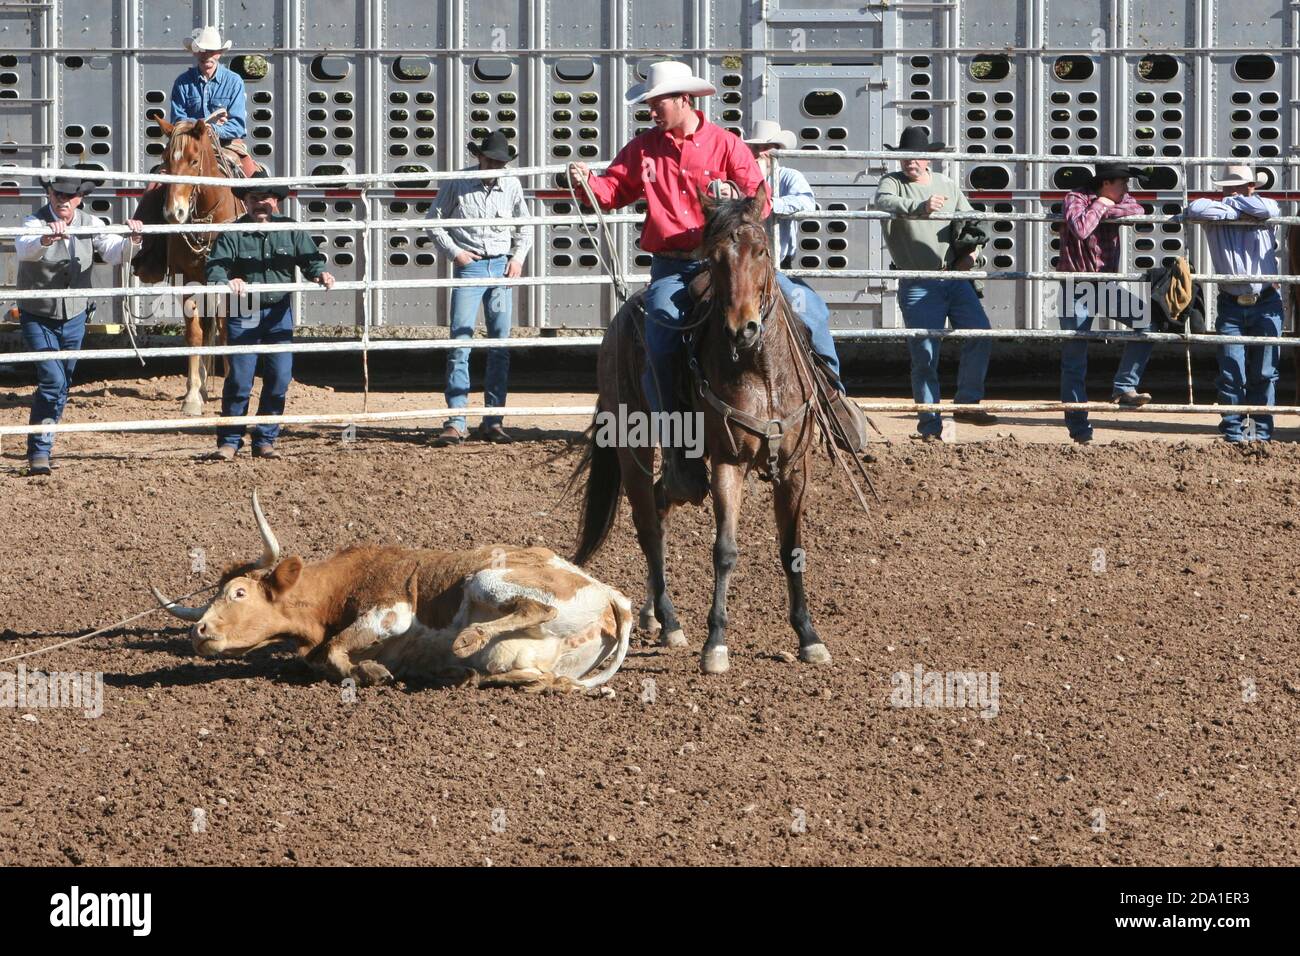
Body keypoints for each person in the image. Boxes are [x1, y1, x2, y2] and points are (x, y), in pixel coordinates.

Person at [568, 61, 855, 501]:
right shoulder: (643, 149)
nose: (650, 110)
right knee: (660, 324)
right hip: (674, 267)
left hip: (730, 263)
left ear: (684, 99)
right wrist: (588, 182)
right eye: (648, 104)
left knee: (807, 307)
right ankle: (679, 445)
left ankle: (835, 402)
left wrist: (734, 202)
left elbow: (757, 200)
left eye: (656, 102)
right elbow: (612, 192)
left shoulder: (727, 145)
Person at [873, 126, 997, 441]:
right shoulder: (892, 183)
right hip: (917, 279)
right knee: (925, 355)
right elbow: (884, 202)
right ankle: (930, 427)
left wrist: (974, 255)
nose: (909, 162)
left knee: (980, 333)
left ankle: (967, 401)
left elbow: (973, 224)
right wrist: (920, 208)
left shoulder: (947, 185)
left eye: (915, 156)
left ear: (928, 158)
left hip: (952, 276)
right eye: (903, 157)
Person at [14, 174, 142, 476]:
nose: (63, 200)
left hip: (74, 315)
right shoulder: (34, 222)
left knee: (62, 382)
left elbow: (114, 253)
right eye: (58, 194)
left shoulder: (92, 224)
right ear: (49, 194)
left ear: (79, 198)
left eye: (70, 196)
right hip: (38, 312)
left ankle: (44, 440)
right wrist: (46, 238)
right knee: (52, 380)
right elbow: (25, 247)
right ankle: (40, 451)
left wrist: (133, 240)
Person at [204, 171, 334, 460]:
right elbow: (214, 268)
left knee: (279, 377)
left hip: (278, 309)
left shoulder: (290, 229)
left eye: (265, 198)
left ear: (275, 201)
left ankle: (265, 439)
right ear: (246, 203)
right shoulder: (233, 232)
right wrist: (227, 281)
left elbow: (309, 259)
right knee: (239, 378)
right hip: (244, 308)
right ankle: (229, 440)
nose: (259, 203)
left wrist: (319, 273)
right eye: (253, 199)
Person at [425, 130, 533, 446]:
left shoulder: (512, 183)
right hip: (470, 267)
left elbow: (525, 224)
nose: (495, 167)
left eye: (500, 163)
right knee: (460, 342)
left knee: (499, 346)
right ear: (479, 157)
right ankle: (457, 420)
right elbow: (434, 219)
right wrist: (455, 253)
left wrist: (518, 257)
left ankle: (492, 420)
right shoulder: (458, 181)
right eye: (491, 161)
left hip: (500, 266)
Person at [1184, 165, 1282, 444]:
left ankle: (1260, 435)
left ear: (1253, 187)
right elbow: (1196, 208)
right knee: (1231, 371)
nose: (1237, 191)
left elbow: (1269, 210)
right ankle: (1234, 433)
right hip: (1234, 304)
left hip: (1263, 301)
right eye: (1231, 187)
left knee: (1263, 372)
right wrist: (1237, 207)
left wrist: (1233, 205)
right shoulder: (1222, 208)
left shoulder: (1264, 206)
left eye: (1241, 187)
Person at [1056, 163, 1152, 444]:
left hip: (1104, 285)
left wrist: (1104, 206)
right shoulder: (1074, 198)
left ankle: (1124, 386)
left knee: (1147, 324)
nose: (1127, 189)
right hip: (1076, 285)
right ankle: (1079, 430)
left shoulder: (1113, 199)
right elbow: (1082, 229)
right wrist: (1103, 205)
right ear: (1106, 183)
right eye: (1123, 183)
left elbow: (1138, 211)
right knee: (1074, 359)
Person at [743, 120, 842, 382]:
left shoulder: (789, 177)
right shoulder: (740, 178)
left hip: (778, 266)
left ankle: (830, 380)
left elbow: (806, 202)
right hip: (744, 267)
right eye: (756, 148)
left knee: (812, 314)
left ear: (777, 150)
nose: (760, 153)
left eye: (767, 148)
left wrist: (770, 204)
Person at [170, 26, 257, 178]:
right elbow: (177, 121)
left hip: (227, 145)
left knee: (256, 184)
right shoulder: (182, 82)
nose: (206, 56)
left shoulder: (234, 81)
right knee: (155, 186)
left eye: (212, 51)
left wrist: (213, 131)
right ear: (195, 52)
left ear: (220, 53)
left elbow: (237, 126)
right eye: (202, 50)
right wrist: (203, 126)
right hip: (189, 146)